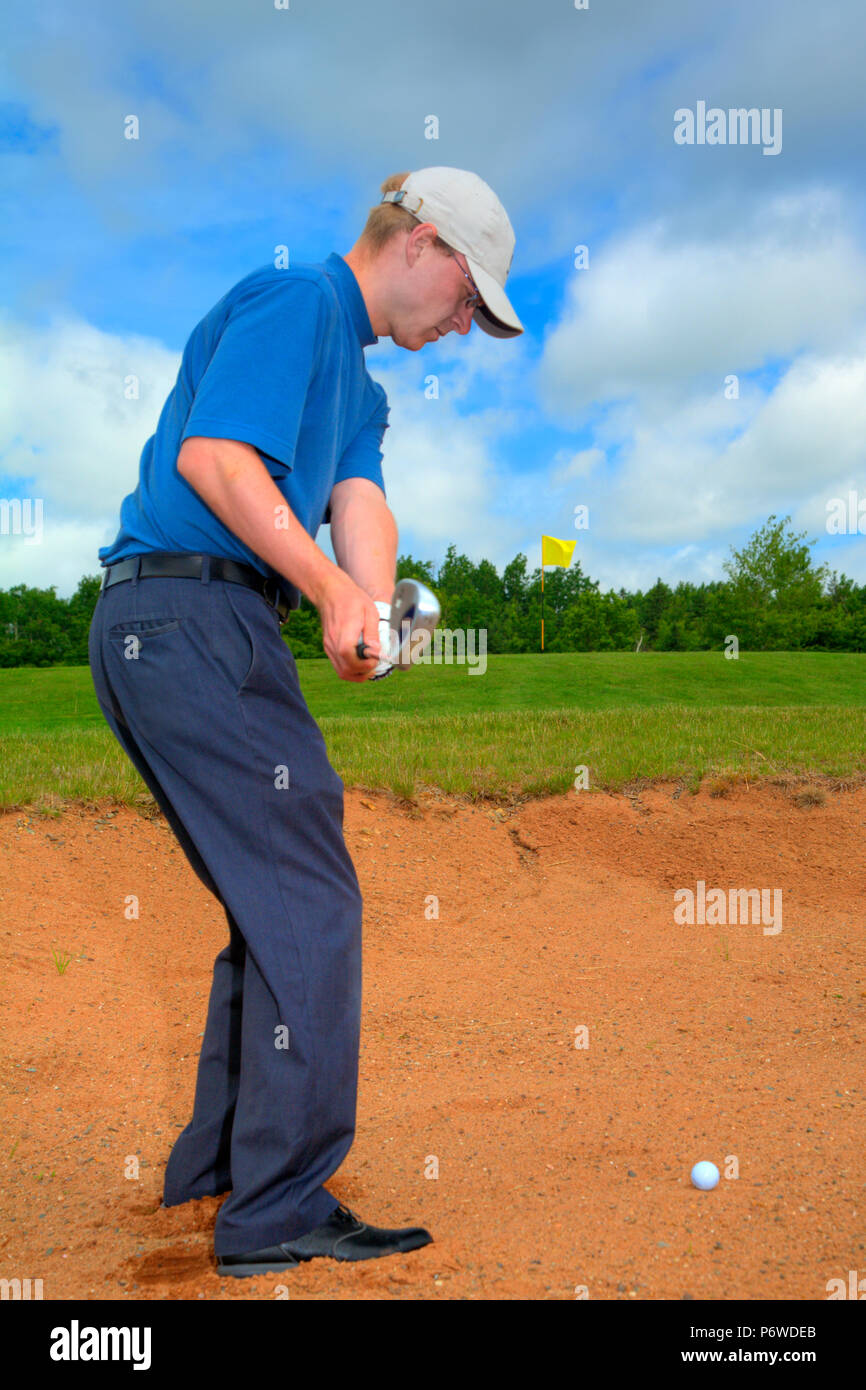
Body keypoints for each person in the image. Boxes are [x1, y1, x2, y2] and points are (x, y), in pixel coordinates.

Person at [88, 166, 523, 1277]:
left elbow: (359, 499)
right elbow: (215, 461)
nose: (464, 324)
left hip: (187, 623)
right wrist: (326, 591)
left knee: (269, 895)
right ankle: (277, 1205)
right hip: (191, 616)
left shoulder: (360, 385)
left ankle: (226, 1170)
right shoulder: (300, 301)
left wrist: (365, 609)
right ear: (419, 242)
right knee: (310, 897)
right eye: (468, 296)